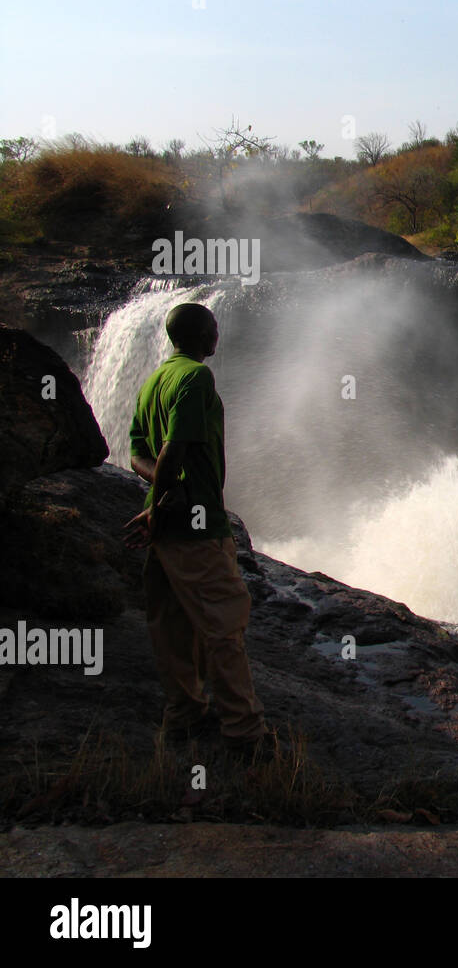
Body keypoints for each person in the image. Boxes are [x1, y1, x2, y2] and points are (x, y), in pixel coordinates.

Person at [123, 302, 273, 760]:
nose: (217, 336)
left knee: (171, 625)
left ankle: (183, 717)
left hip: (166, 522)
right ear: (199, 335)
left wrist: (157, 503)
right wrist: (171, 494)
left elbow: (136, 456)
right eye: (213, 329)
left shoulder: (153, 382)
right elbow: (174, 451)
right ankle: (243, 733)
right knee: (223, 622)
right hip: (197, 522)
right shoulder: (196, 377)